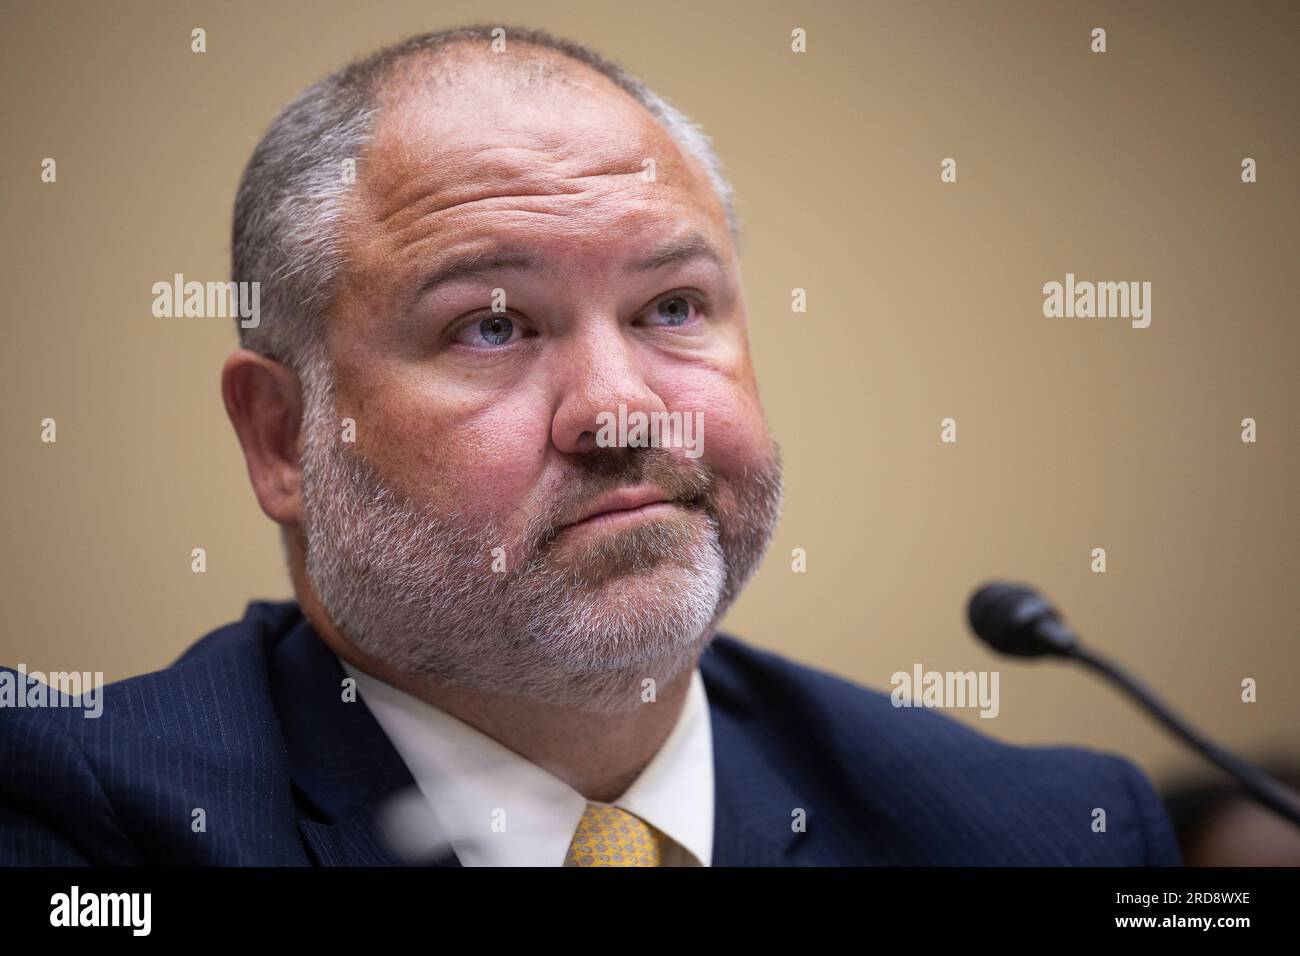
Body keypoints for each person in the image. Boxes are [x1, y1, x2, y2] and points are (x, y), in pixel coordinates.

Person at [0, 24, 1179, 866]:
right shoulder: (84, 822)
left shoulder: (1045, 828)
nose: (623, 411)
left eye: (673, 306)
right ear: (280, 434)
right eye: (492, 325)